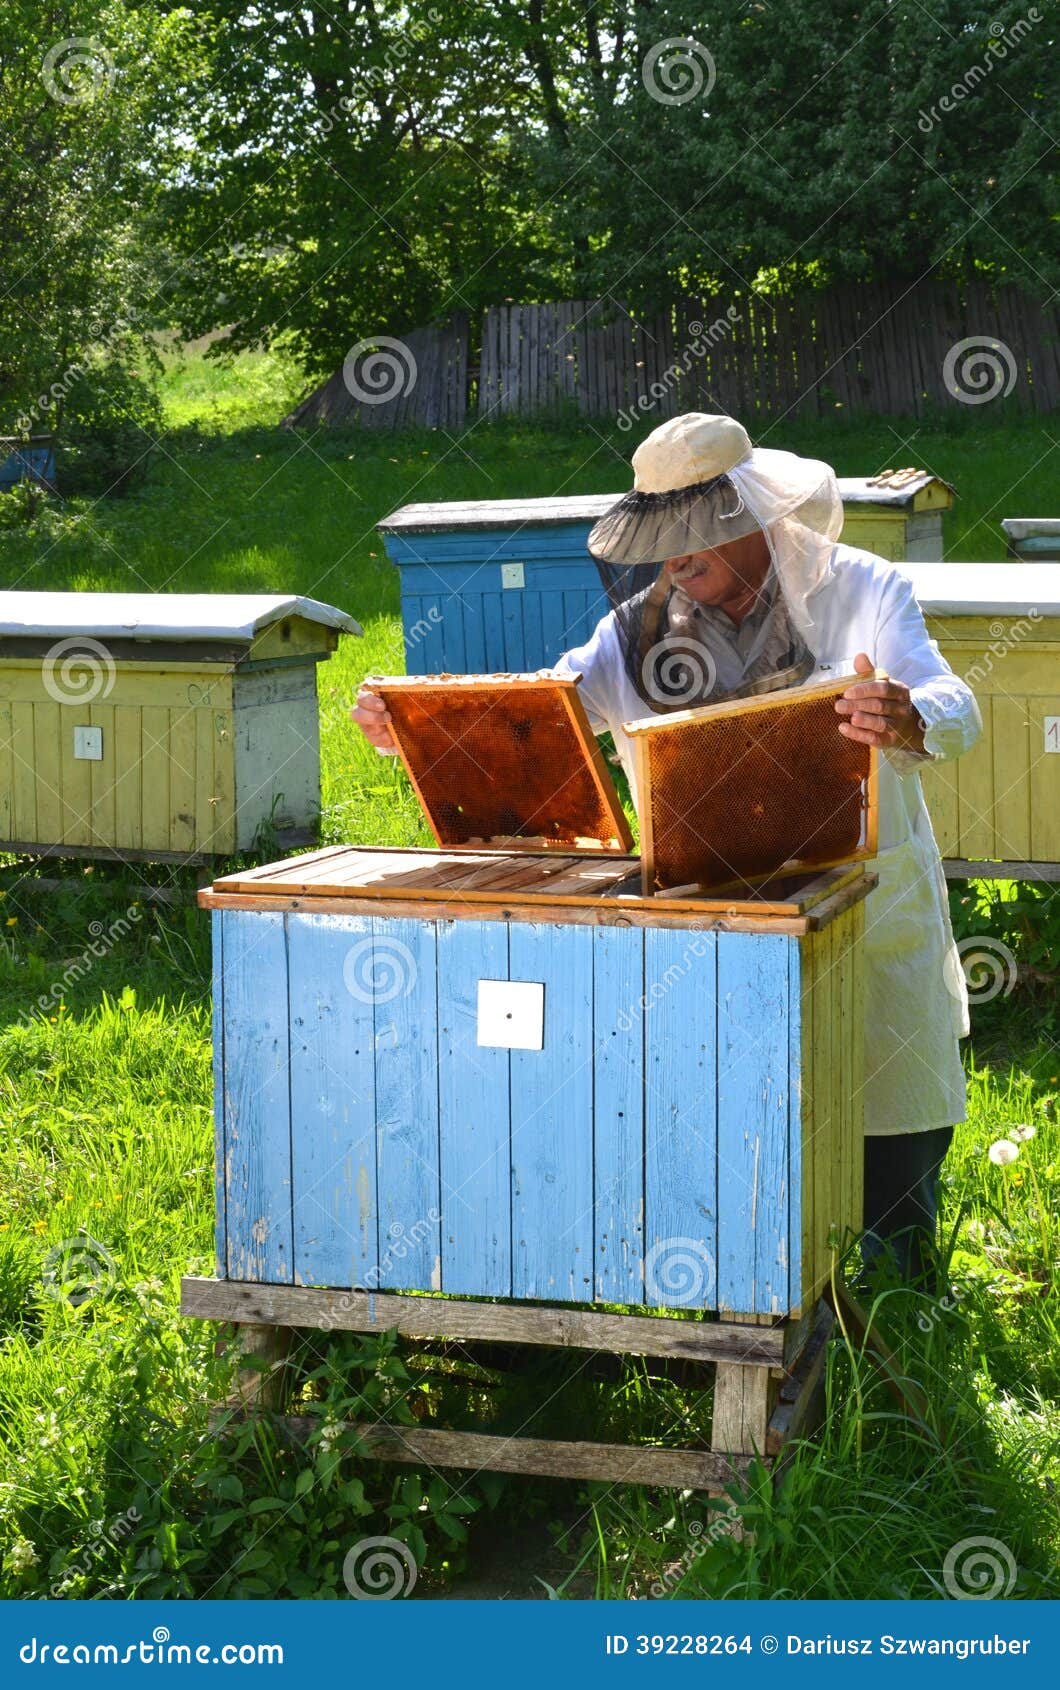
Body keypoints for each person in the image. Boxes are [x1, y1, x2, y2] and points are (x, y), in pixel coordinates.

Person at [353, 412, 982, 1287]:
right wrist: (415, 725)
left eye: (699, 538)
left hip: (867, 908)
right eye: (662, 541)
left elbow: (954, 700)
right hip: (720, 925)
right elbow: (548, 711)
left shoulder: (864, 589)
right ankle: (766, 1304)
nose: (676, 561)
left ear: (753, 516)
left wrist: (913, 712)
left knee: (888, 1131)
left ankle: (899, 1322)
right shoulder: (638, 630)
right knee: (745, 1138)